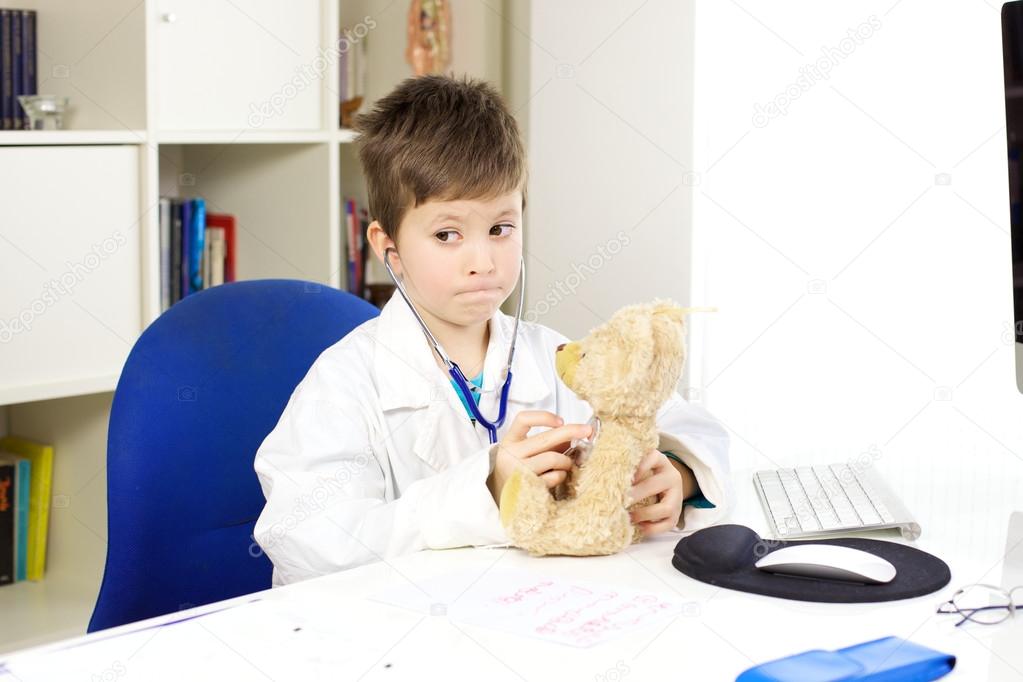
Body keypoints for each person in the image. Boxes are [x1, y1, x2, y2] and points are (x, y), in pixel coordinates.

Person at [253, 74, 733, 587]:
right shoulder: (346, 381)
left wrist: (677, 476)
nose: (481, 261)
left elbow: (691, 427)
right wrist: (486, 487)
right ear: (388, 247)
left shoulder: (558, 356)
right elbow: (306, 541)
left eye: (500, 229)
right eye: (447, 234)